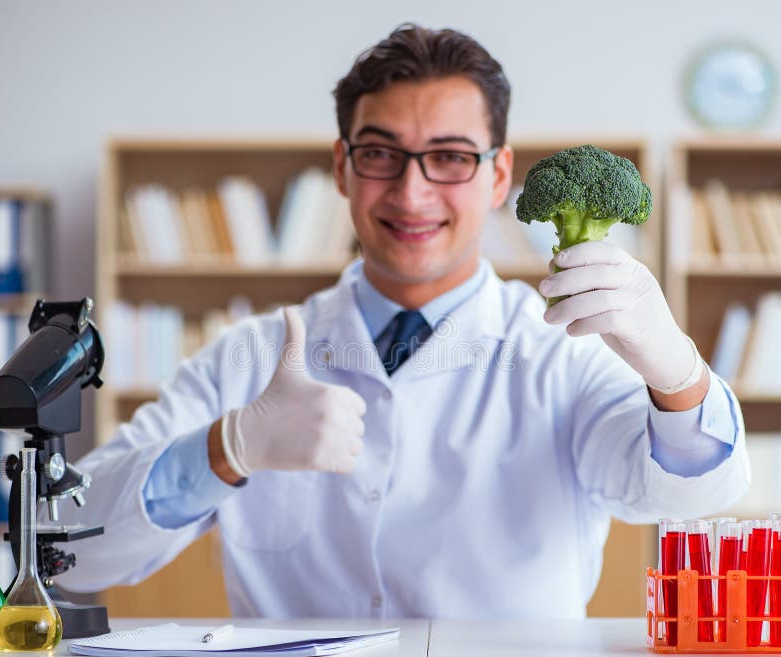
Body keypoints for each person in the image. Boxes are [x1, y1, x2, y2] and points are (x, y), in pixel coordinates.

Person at [56, 24, 748, 619]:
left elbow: (693, 492)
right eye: (381, 154)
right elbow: (68, 552)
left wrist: (677, 372)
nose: (412, 193)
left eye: (449, 157)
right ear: (342, 167)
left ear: (499, 175)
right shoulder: (247, 356)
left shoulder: (562, 350)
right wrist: (227, 447)